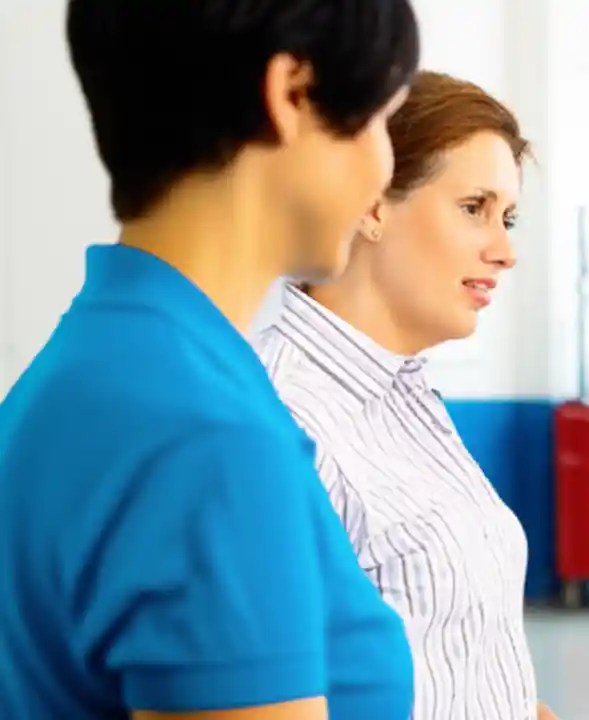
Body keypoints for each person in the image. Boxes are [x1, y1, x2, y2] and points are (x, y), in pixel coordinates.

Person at [0, 2, 419, 719]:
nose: (384, 170)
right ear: (290, 94)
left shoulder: (84, 371)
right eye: (384, 119)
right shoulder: (207, 432)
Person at [255, 70, 557, 720]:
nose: (505, 250)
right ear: (369, 204)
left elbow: (446, 649)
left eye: (508, 217)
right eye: (473, 207)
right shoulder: (283, 422)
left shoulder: (409, 399)